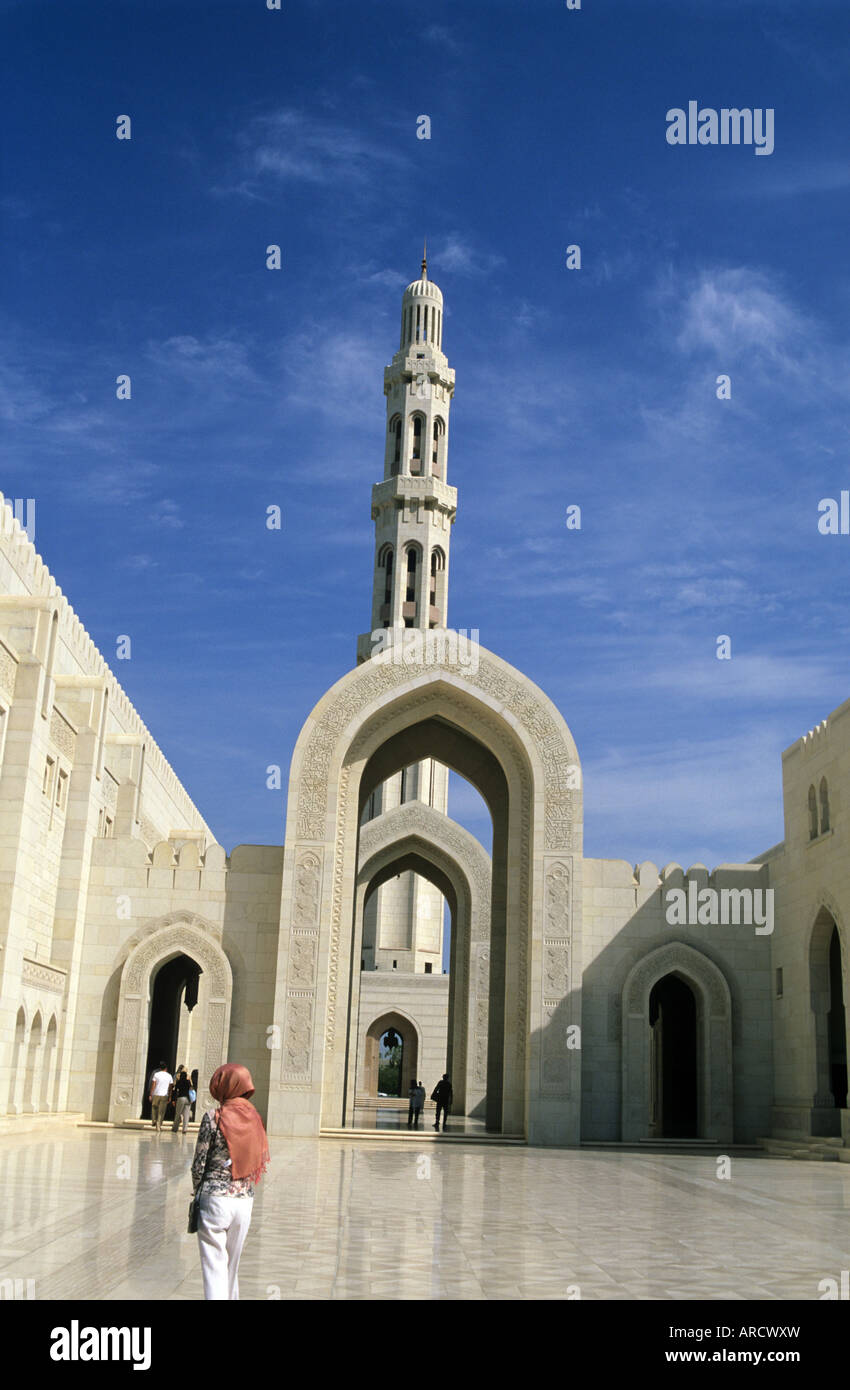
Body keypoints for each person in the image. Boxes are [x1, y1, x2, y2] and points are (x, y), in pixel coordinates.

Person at [191, 1063, 270, 1301]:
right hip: (244, 1201)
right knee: (231, 1267)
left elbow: (198, 1165)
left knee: (214, 1265)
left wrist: (198, 1190)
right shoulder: (254, 1119)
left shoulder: (213, 1117)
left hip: (215, 1201)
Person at [148, 1062, 173, 1131]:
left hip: (156, 1094)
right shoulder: (169, 1076)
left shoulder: (156, 1074)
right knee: (161, 1111)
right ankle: (158, 1124)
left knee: (154, 1107)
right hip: (164, 1095)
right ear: (166, 1068)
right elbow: (170, 1087)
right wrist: (170, 1096)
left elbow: (153, 1085)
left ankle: (154, 1121)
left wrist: (151, 1094)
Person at [172, 1065, 192, 1133]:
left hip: (181, 1098)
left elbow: (175, 1090)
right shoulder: (188, 1082)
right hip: (188, 1099)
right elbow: (191, 1088)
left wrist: (173, 1099)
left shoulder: (179, 1082)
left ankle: (175, 1128)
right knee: (186, 1115)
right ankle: (185, 1129)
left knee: (178, 1113)